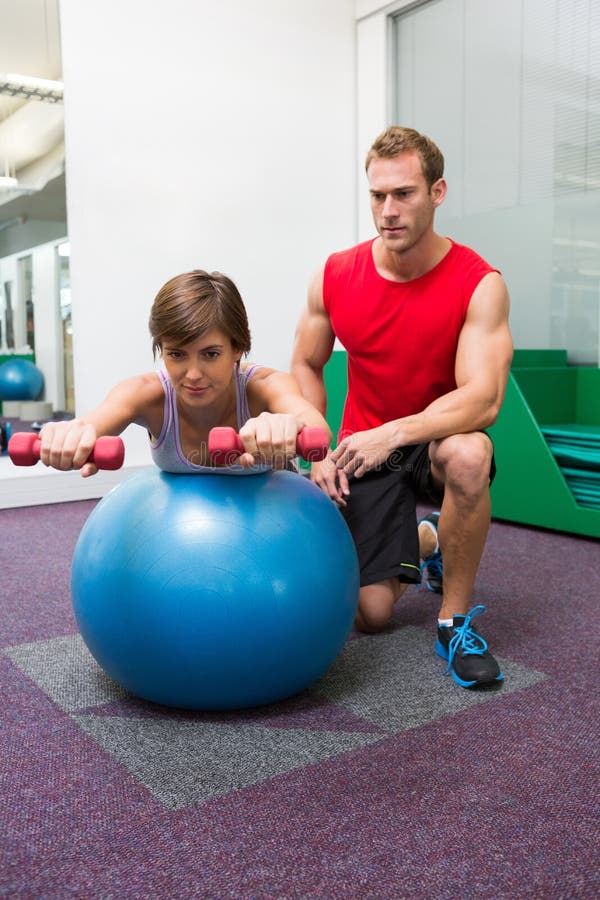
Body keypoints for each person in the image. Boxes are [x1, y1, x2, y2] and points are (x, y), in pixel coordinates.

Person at [291, 125, 514, 688]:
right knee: (372, 615)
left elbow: (483, 400)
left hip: (434, 439)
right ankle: (430, 540)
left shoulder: (478, 283)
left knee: (469, 454)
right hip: (367, 448)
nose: (388, 210)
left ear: (437, 193)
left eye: (404, 194)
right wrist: (315, 447)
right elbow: (305, 366)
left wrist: (393, 433)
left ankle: (454, 622)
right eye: (377, 195)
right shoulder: (335, 275)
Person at [38, 269, 331, 477]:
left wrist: (285, 425)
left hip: (273, 530)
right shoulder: (144, 393)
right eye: (176, 354)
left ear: (239, 346)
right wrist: (65, 438)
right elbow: (88, 426)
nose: (192, 374)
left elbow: (316, 428)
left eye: (211, 354)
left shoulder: (265, 386)